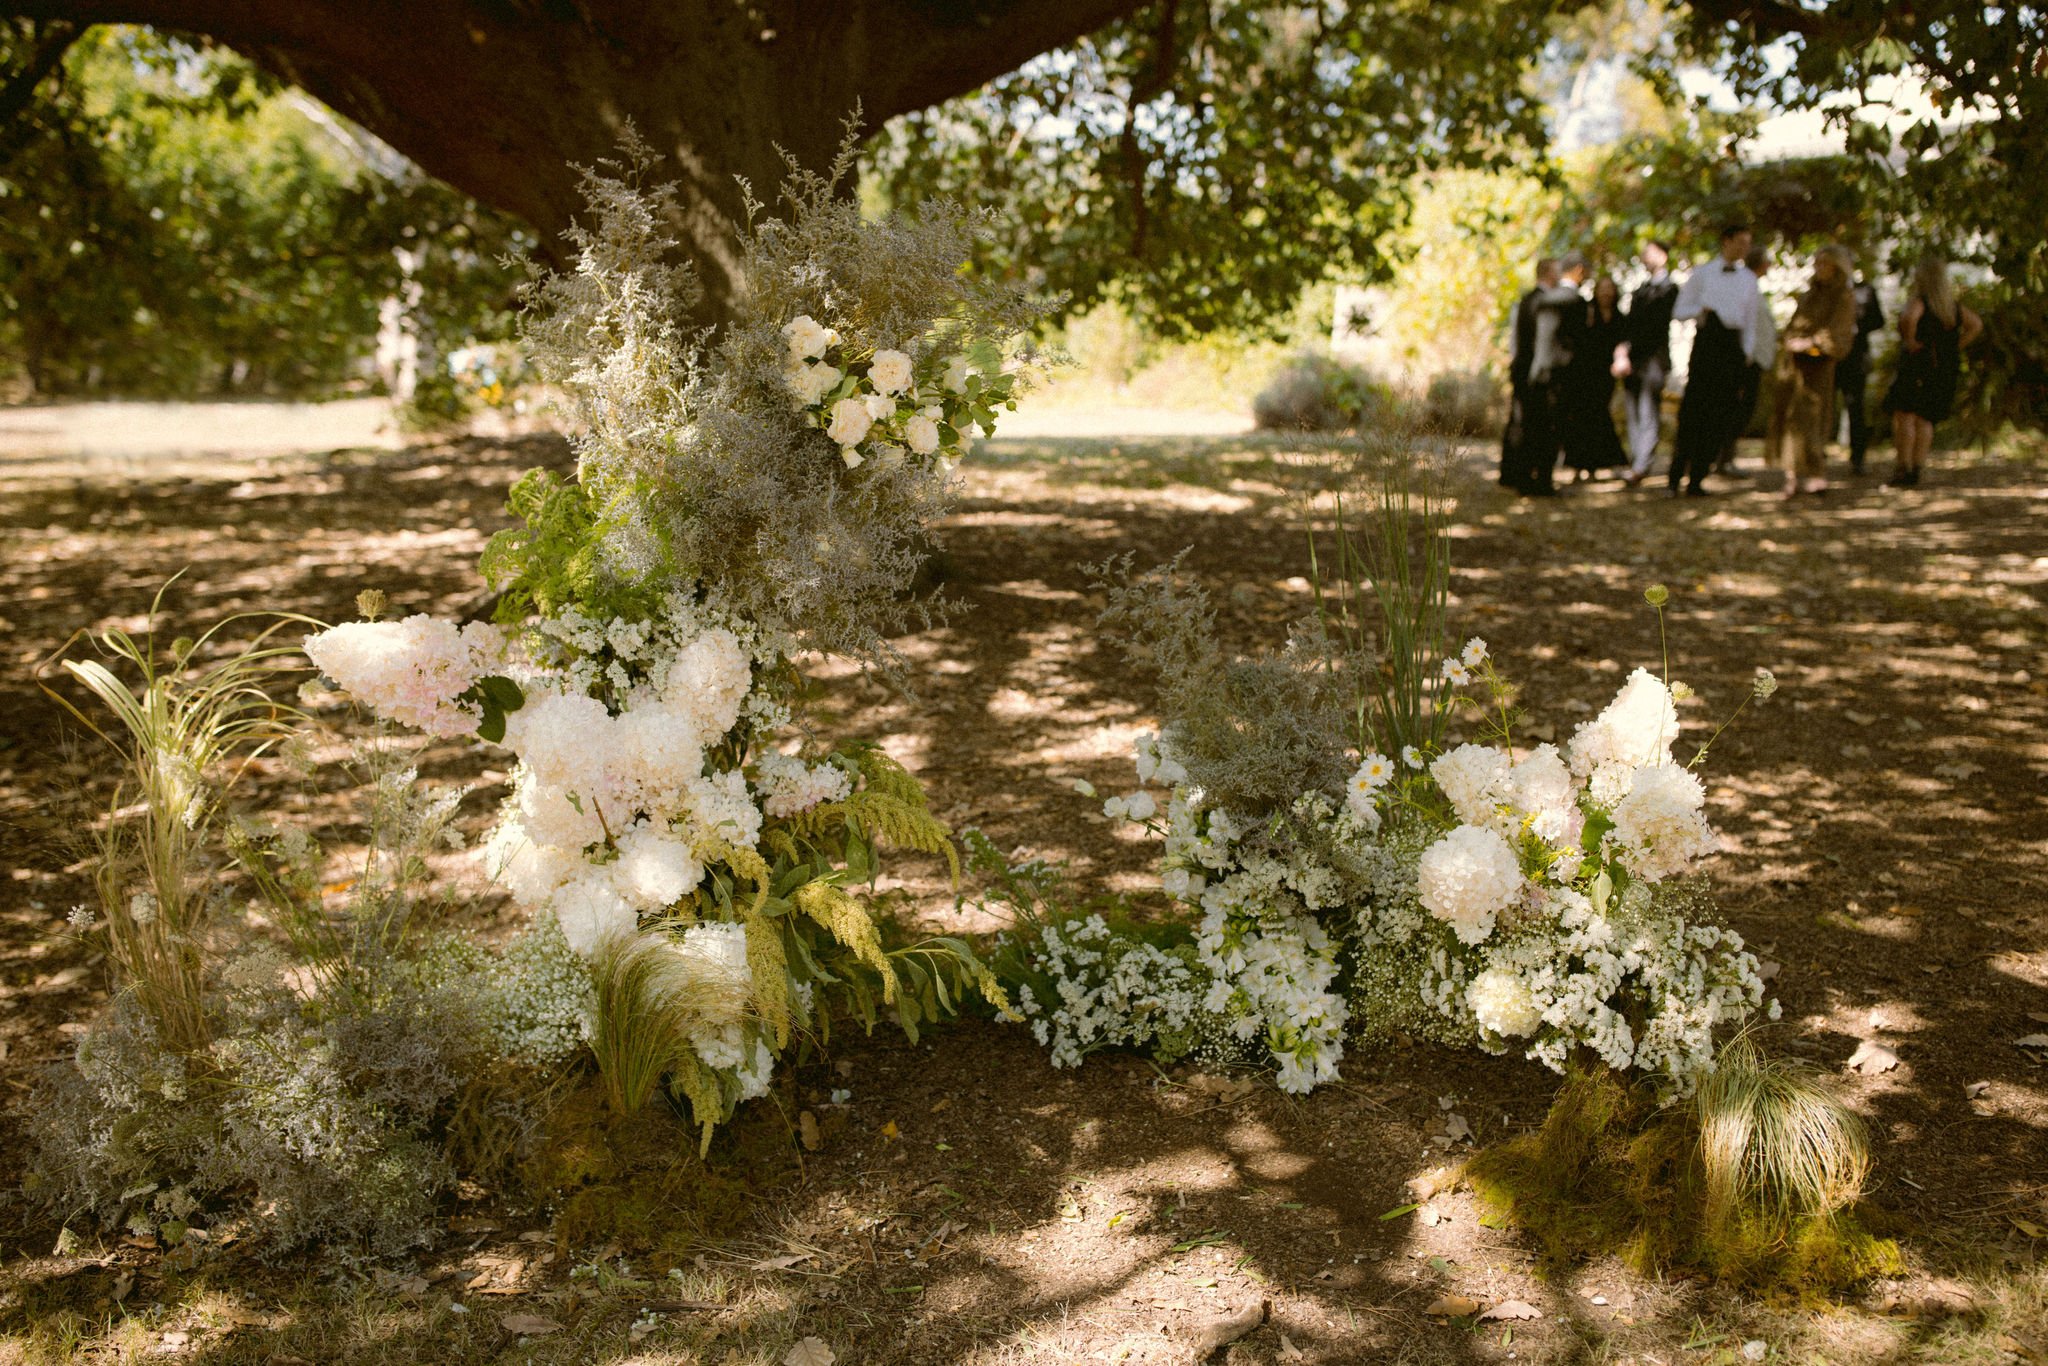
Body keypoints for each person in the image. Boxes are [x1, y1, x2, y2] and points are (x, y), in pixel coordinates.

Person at [1670, 224, 1763, 497]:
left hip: (1733, 348)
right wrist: (1702, 309)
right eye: (1740, 242)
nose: (1744, 248)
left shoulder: (1748, 279)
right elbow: (1680, 311)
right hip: (1708, 342)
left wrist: (1746, 352)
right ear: (1726, 241)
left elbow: (1750, 320)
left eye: (1748, 243)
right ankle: (1675, 475)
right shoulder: (1702, 274)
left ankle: (1698, 477)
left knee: (1720, 415)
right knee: (1693, 413)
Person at [1767, 244, 1859, 498]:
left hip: (1817, 367)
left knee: (1813, 418)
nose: (1819, 270)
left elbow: (1838, 333)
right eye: (1816, 264)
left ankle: (1816, 473)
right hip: (1794, 365)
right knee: (1790, 417)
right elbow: (1795, 324)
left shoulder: (1843, 296)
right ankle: (1791, 475)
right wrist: (1790, 340)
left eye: (1824, 264)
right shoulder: (1810, 295)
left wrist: (1811, 343)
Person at [1884, 254, 1982, 488]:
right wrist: (1954, 347)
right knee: (1925, 418)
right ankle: (1917, 466)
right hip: (1942, 368)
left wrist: (1910, 341)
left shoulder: (1920, 302)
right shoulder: (1951, 308)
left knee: (1906, 416)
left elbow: (1909, 318)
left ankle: (1903, 466)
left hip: (1918, 364)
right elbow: (1976, 325)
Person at [1620, 240, 1679, 488]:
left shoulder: (1670, 290)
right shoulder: (1639, 290)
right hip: (1634, 361)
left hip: (1655, 360)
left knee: (1647, 411)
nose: (1644, 257)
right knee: (1633, 412)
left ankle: (1642, 463)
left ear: (1663, 257)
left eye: (1650, 253)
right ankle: (1638, 461)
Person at [1716, 242, 1777, 477]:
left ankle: (1725, 457)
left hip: (1755, 359)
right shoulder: (1743, 287)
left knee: (1741, 410)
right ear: (1763, 264)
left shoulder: (1752, 287)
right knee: (1735, 410)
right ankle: (1723, 458)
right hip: (1744, 361)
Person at [1501, 257, 1559, 493]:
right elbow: (1543, 341)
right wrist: (1539, 371)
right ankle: (1540, 481)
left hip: (1522, 369)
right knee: (1542, 428)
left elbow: (1514, 340)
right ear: (1548, 273)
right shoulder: (1546, 303)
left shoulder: (1523, 301)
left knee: (1522, 424)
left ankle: (1520, 476)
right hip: (1537, 374)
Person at [1563, 275, 1629, 480]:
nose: (1606, 293)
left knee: (1599, 415)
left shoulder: (1619, 317)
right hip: (1583, 373)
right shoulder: (1587, 312)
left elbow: (1622, 342)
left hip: (1604, 375)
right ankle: (1577, 465)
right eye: (1603, 288)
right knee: (1582, 417)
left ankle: (1593, 465)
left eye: (1610, 288)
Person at [1836, 265, 1885, 474]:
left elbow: (1879, 320)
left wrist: (1856, 327)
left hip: (1856, 357)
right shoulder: (1826, 291)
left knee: (1856, 407)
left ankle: (1858, 458)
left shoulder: (1865, 290)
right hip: (1829, 357)